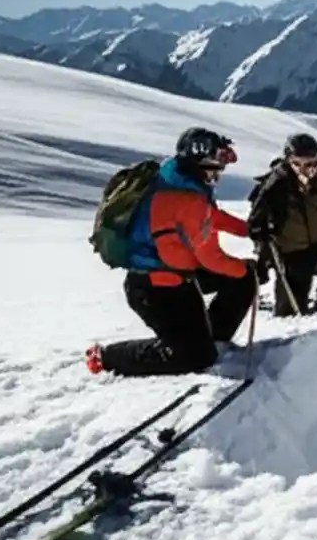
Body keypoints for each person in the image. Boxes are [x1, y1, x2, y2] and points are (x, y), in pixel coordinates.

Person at [87, 128, 259, 376]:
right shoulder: (186, 199)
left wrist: (247, 229)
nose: (219, 173)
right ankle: (107, 357)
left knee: (239, 283)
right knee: (191, 358)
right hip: (156, 289)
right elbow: (210, 258)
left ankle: (211, 343)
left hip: (173, 278)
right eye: (216, 165)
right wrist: (245, 267)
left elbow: (210, 218)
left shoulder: (178, 184)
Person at [247, 133, 317, 316]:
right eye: (298, 163)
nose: (304, 169)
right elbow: (256, 224)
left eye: (310, 163)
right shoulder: (276, 185)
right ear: (289, 161)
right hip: (290, 256)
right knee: (290, 312)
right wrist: (264, 259)